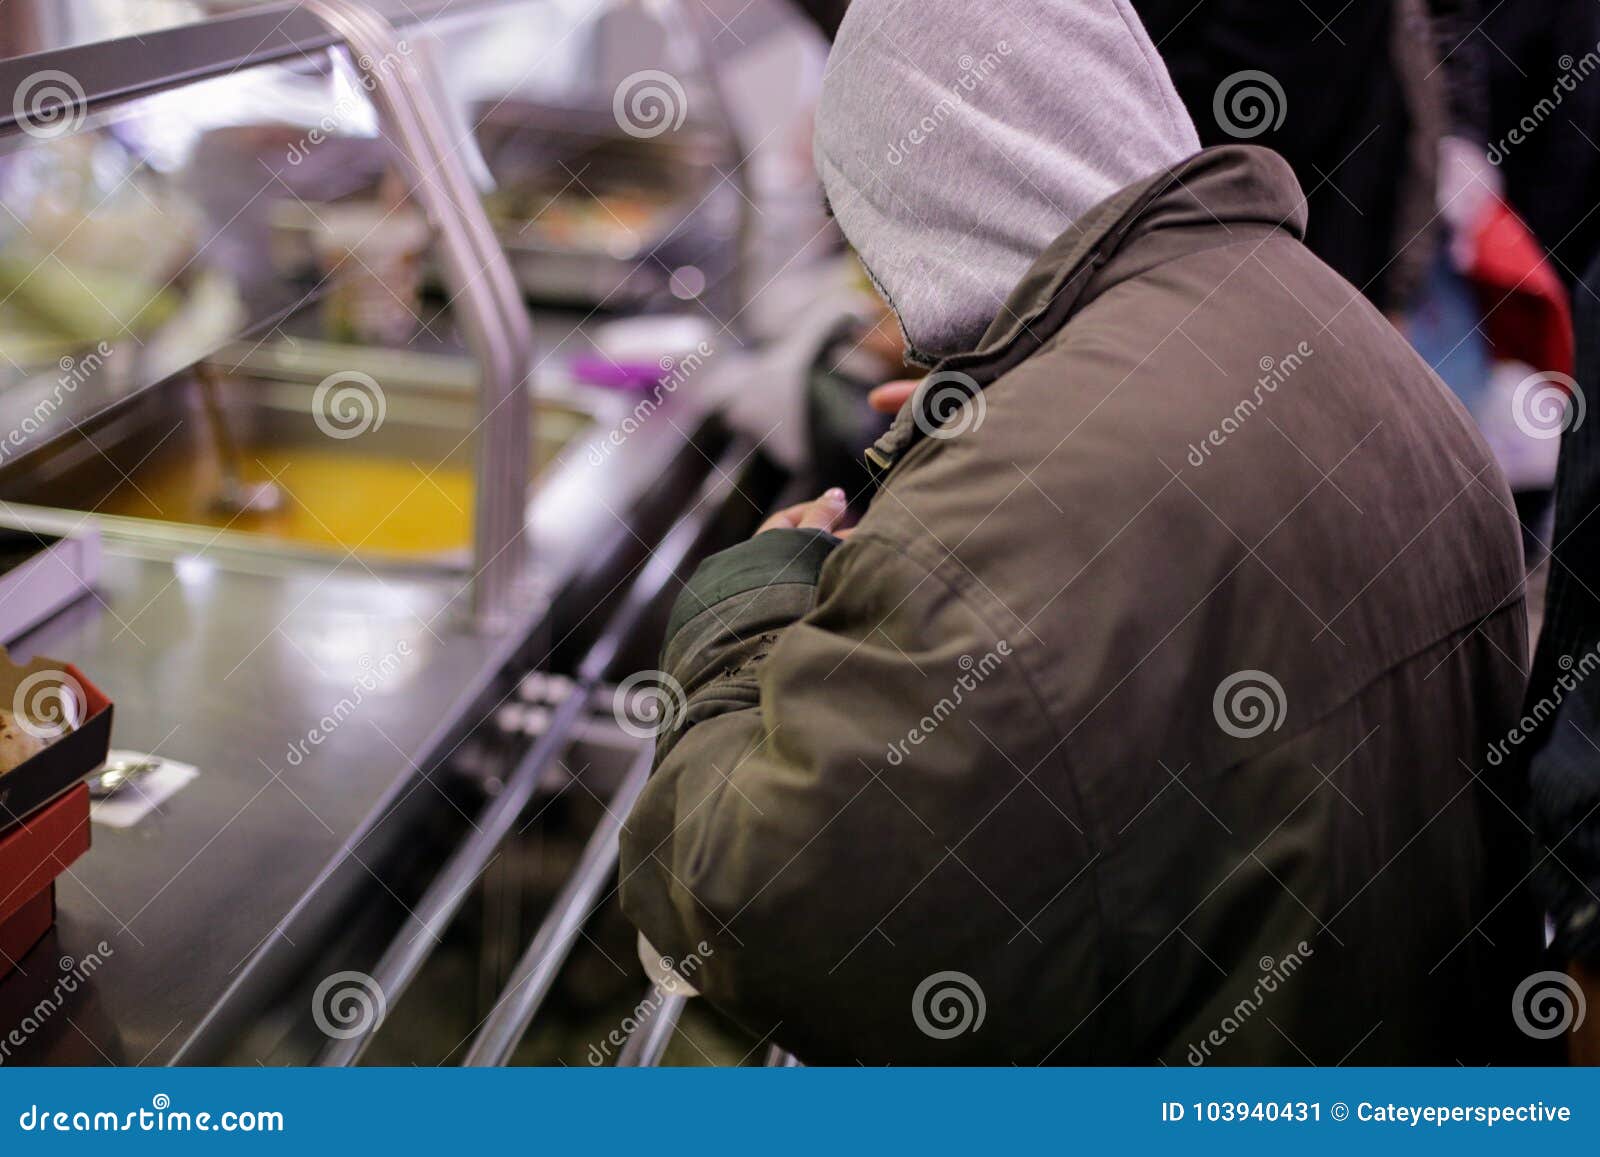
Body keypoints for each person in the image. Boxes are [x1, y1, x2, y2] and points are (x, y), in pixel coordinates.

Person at [620, 0, 1547, 1064]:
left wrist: (752, 608)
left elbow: (770, 904)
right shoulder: (1345, 338)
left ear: (916, 197)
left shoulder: (1030, 502)